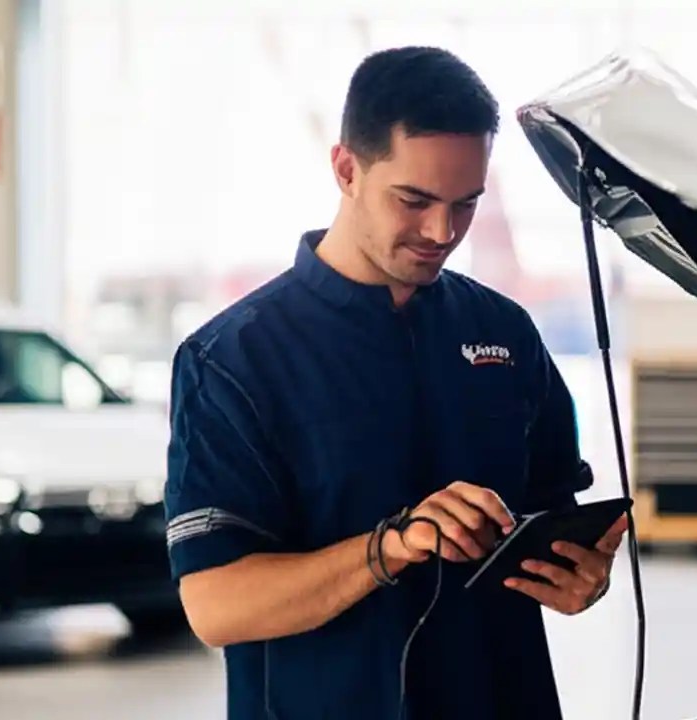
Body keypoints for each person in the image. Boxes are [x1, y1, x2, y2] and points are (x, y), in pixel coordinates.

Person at [163, 45, 629, 719]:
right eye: (414, 200)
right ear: (346, 169)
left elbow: (550, 524)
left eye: (466, 204)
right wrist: (391, 546)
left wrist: (582, 576)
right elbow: (216, 606)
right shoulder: (234, 360)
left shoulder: (505, 333)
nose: (442, 231)